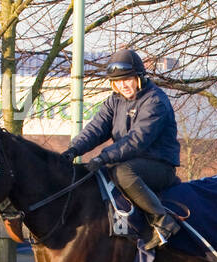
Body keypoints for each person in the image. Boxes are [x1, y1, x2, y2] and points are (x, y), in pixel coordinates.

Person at [66, 48, 182, 249]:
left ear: (138, 77)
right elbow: (96, 128)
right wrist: (73, 150)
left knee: (121, 172)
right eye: (117, 81)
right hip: (127, 162)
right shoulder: (114, 101)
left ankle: (163, 220)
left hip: (159, 166)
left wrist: (103, 157)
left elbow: (136, 140)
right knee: (93, 175)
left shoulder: (155, 101)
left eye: (127, 79)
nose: (123, 85)